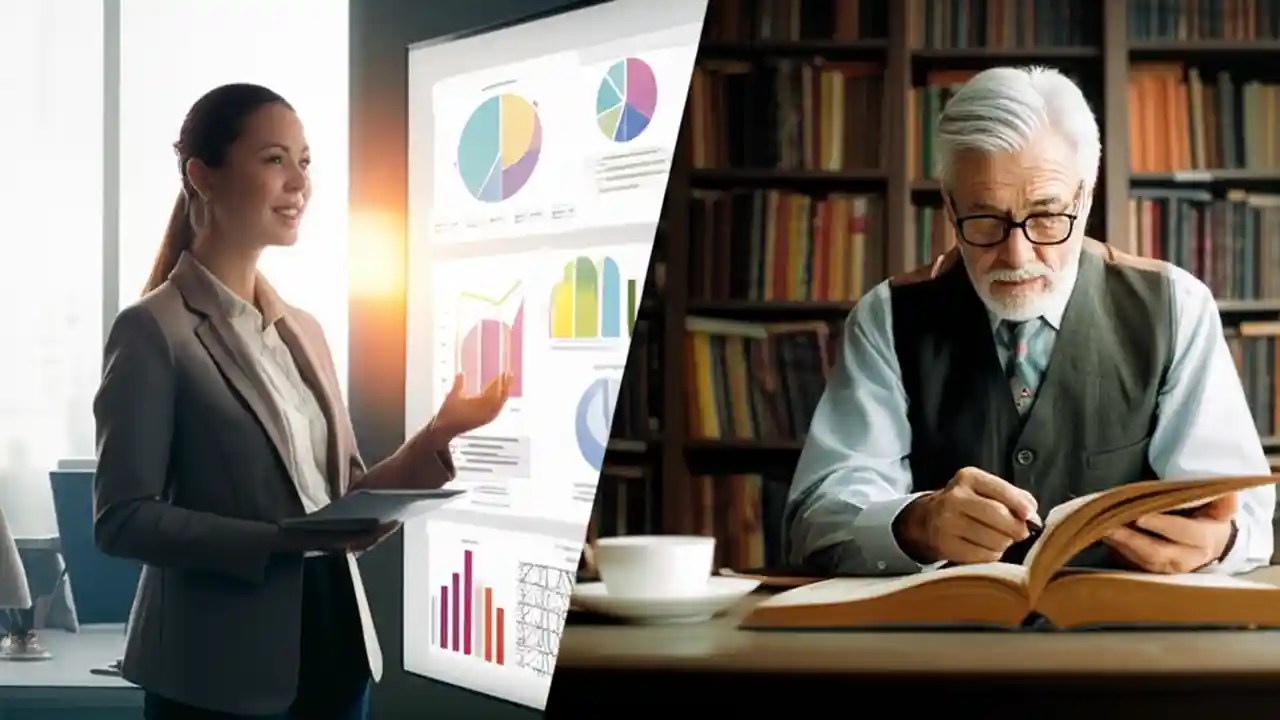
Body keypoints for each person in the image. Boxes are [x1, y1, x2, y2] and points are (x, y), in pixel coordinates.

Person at [93, 83, 512, 719]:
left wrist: (441, 432)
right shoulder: (153, 330)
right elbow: (121, 519)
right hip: (216, 674)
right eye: (274, 159)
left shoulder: (305, 330)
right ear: (202, 176)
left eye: (305, 161)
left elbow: (344, 499)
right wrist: (278, 541)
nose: (299, 182)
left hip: (337, 650)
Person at [783, 66, 1275, 579]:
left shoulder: (1178, 305)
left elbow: (1252, 518)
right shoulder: (887, 315)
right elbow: (817, 515)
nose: (1016, 254)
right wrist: (913, 524)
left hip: (1126, 640)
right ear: (950, 208)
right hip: (934, 645)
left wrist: (1218, 542)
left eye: (1046, 216)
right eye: (985, 220)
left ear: (1084, 198)